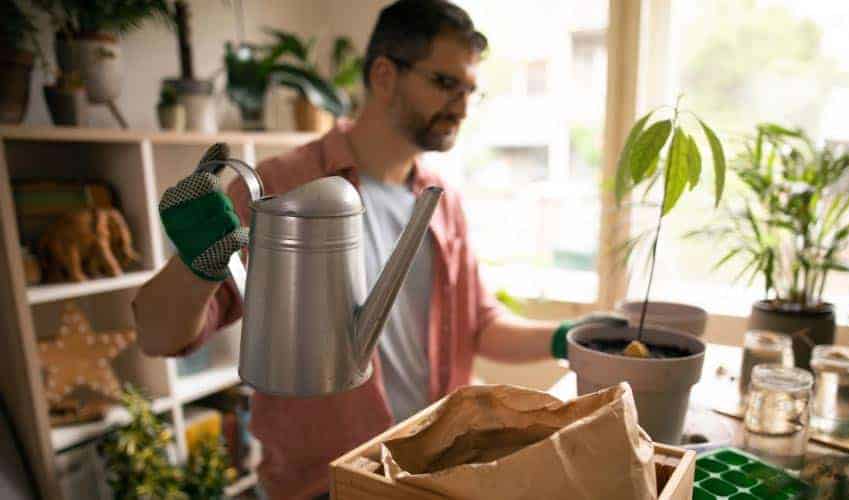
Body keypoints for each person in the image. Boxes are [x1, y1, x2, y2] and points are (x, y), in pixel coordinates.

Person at [133, 1, 623, 498]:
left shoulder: (439, 201)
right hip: (321, 486)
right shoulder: (287, 184)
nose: (462, 105)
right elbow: (160, 337)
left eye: (470, 89)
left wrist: (569, 337)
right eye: (445, 83)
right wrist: (196, 266)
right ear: (385, 75)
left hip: (428, 473)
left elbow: (481, 326)